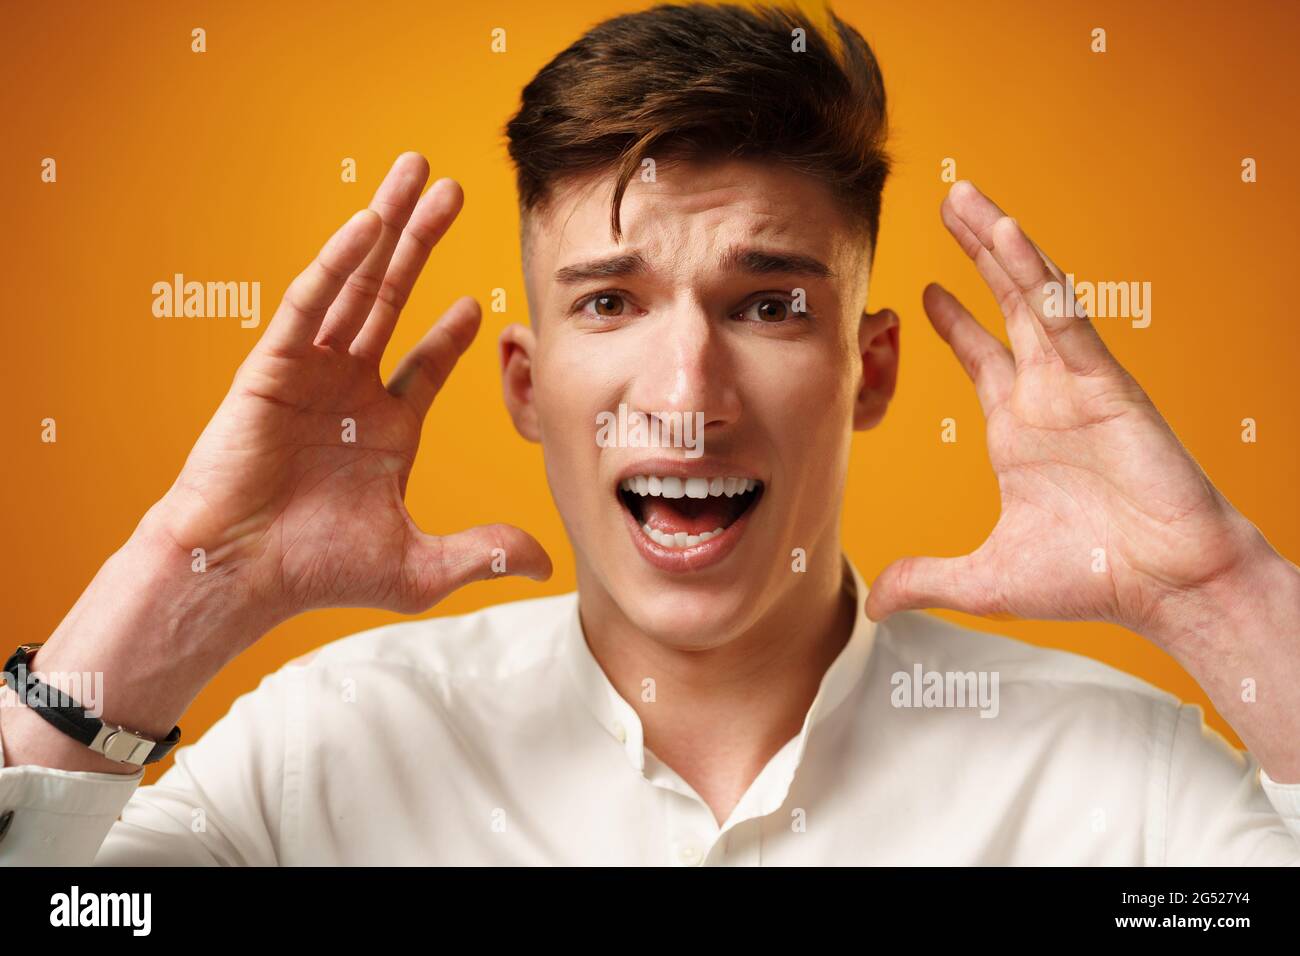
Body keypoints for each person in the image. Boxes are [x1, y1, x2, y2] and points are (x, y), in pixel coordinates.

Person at [1, 2, 1297, 866]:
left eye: (770, 303)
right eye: (611, 301)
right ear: (525, 383)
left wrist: (1226, 597)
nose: (688, 385)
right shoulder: (321, 762)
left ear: (870, 369)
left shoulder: (1119, 793)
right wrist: (184, 577)